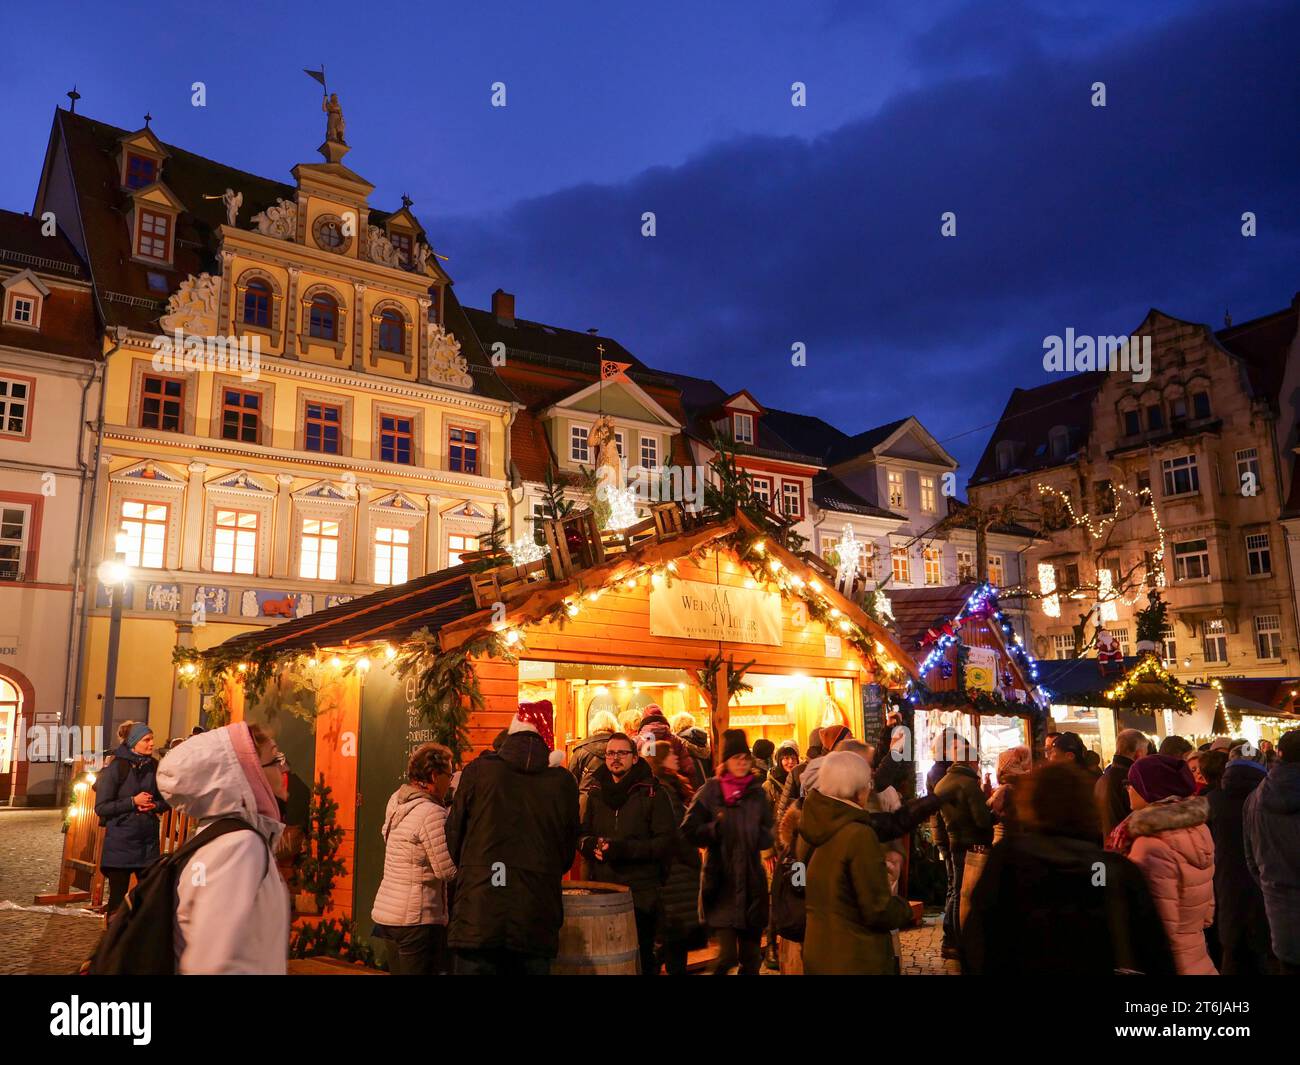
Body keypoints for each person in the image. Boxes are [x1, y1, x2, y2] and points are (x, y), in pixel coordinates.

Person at [962, 763, 1175, 975]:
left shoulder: (1010, 859)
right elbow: (1155, 951)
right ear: (1088, 804)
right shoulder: (1109, 868)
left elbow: (978, 937)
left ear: (1032, 804)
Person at [444, 702, 580, 975]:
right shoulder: (562, 782)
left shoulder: (479, 771)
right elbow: (566, 854)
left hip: (479, 911)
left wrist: (479, 868)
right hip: (535, 913)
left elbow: (453, 835)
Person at [154, 722, 291, 974]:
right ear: (249, 773)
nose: (284, 769)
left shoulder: (217, 837)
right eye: (276, 759)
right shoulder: (239, 847)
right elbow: (212, 964)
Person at [799, 751, 912, 975]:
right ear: (859, 789)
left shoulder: (811, 824)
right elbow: (877, 909)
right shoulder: (858, 834)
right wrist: (905, 908)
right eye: (868, 782)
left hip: (819, 954)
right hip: (856, 958)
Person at [1106, 753, 1216, 974]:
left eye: (1132, 783)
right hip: (1196, 953)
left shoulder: (1150, 844)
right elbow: (1207, 914)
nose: (1128, 789)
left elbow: (1153, 925)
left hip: (1167, 963)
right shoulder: (1197, 828)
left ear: (1150, 790)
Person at [577, 731, 675, 976]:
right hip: (603, 889)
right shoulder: (596, 791)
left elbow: (665, 843)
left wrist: (624, 850)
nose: (615, 758)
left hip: (641, 892)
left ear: (634, 757)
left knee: (640, 958)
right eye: (611, 753)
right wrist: (589, 845)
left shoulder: (652, 793)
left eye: (622, 753)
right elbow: (582, 833)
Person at [682, 729, 773, 975]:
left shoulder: (757, 792)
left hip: (752, 884)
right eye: (736, 757)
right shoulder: (711, 791)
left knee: (751, 960)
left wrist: (763, 836)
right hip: (721, 883)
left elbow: (769, 829)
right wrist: (714, 829)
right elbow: (689, 829)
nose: (742, 762)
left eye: (745, 757)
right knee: (727, 958)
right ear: (725, 761)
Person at [370, 742, 457, 975]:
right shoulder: (431, 813)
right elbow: (446, 871)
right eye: (448, 775)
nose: (450, 782)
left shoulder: (397, 800)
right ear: (433, 775)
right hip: (416, 919)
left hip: (389, 914)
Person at [1207, 747, 1276, 974]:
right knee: (1264, 957)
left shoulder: (1211, 802)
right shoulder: (1269, 800)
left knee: (1232, 956)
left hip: (1225, 888)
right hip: (1267, 887)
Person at [94, 722, 168, 918]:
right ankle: (113, 938)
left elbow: (166, 799)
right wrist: (132, 802)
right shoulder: (117, 767)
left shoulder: (154, 766)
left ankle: (140, 939)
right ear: (134, 742)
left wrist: (156, 806)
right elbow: (101, 807)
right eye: (147, 740)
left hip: (147, 843)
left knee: (148, 898)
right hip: (121, 841)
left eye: (152, 739)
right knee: (117, 900)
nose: (152, 744)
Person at [1244, 729, 1300, 975]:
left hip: (1282, 919)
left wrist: (1272, 887)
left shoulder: (1254, 798)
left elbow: (1252, 859)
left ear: (1279, 753)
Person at [646, 740, 702, 975]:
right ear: (661, 759)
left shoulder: (666, 786)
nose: (676, 757)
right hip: (677, 872)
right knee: (675, 940)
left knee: (668, 939)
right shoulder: (666, 790)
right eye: (670, 754)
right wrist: (695, 860)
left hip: (671, 873)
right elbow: (679, 832)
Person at [934, 735, 992, 959]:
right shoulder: (968, 784)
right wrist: (992, 810)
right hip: (970, 844)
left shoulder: (943, 781)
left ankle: (952, 938)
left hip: (953, 841)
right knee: (963, 893)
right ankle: (959, 940)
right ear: (971, 762)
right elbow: (981, 820)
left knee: (956, 891)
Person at [1095, 728, 1146, 837]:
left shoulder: (1102, 779)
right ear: (1139, 754)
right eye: (1145, 753)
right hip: (1127, 845)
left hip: (1109, 844)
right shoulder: (1131, 780)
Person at [988, 745, 1031, 843]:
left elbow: (987, 815)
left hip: (1004, 839)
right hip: (1020, 840)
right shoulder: (1025, 787)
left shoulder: (1005, 789)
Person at [568, 710, 618, 786]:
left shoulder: (581, 750)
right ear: (614, 726)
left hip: (586, 796)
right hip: (616, 796)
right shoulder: (622, 747)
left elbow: (570, 781)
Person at [673, 711, 712, 790]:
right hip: (707, 785)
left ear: (676, 725)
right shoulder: (703, 741)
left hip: (690, 786)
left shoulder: (678, 742)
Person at [764, 741, 799, 812]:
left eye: (793, 758)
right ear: (779, 761)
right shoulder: (769, 785)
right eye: (786, 758)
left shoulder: (800, 780)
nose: (791, 761)